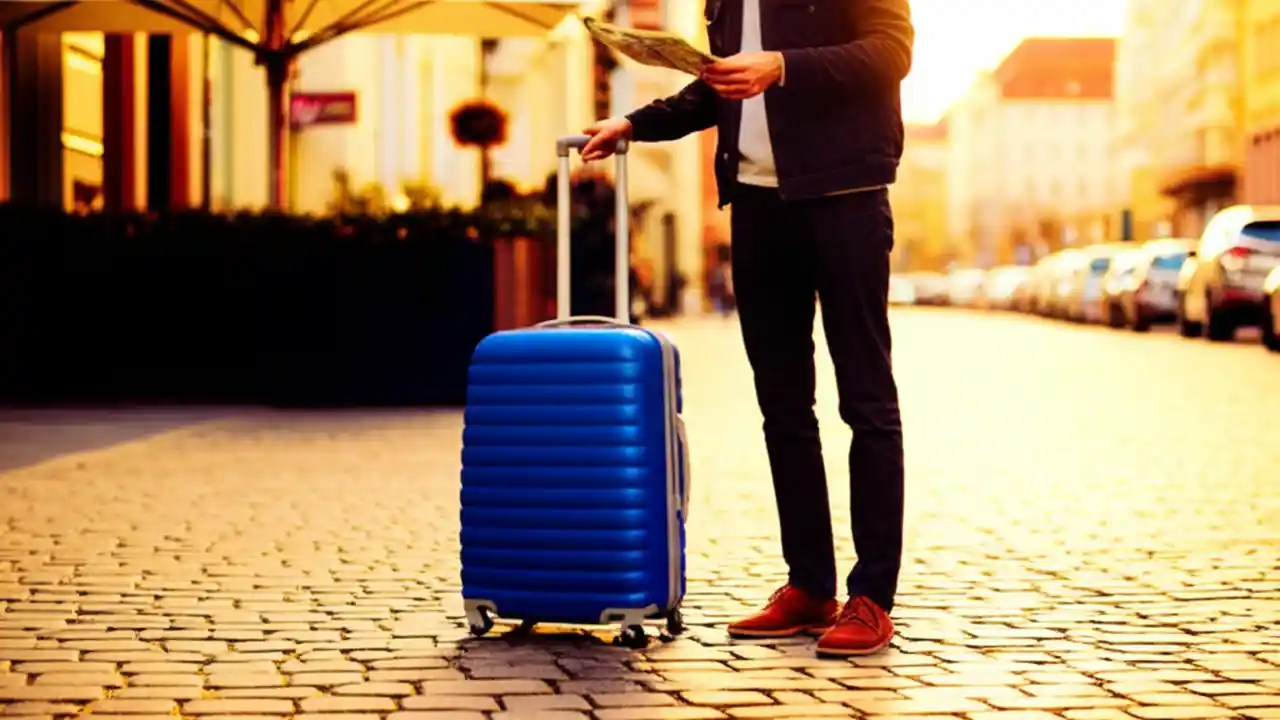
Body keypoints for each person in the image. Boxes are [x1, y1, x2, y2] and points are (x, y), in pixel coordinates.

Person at [581, 0, 913, 657]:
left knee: (867, 402)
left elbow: (892, 52)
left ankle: (871, 597)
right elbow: (720, 86)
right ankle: (811, 586)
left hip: (845, 198)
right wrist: (634, 124)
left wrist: (784, 67)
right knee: (783, 409)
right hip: (759, 208)